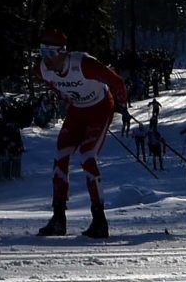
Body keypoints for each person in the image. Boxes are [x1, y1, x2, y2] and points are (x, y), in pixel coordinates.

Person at [33, 27, 127, 240]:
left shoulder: (83, 64)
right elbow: (53, 84)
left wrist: (121, 100)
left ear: (63, 52)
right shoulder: (42, 69)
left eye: (51, 53)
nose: (46, 59)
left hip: (100, 107)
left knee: (87, 155)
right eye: (42, 52)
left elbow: (116, 80)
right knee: (60, 157)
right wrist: (65, 95)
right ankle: (58, 218)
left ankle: (99, 220)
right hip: (77, 109)